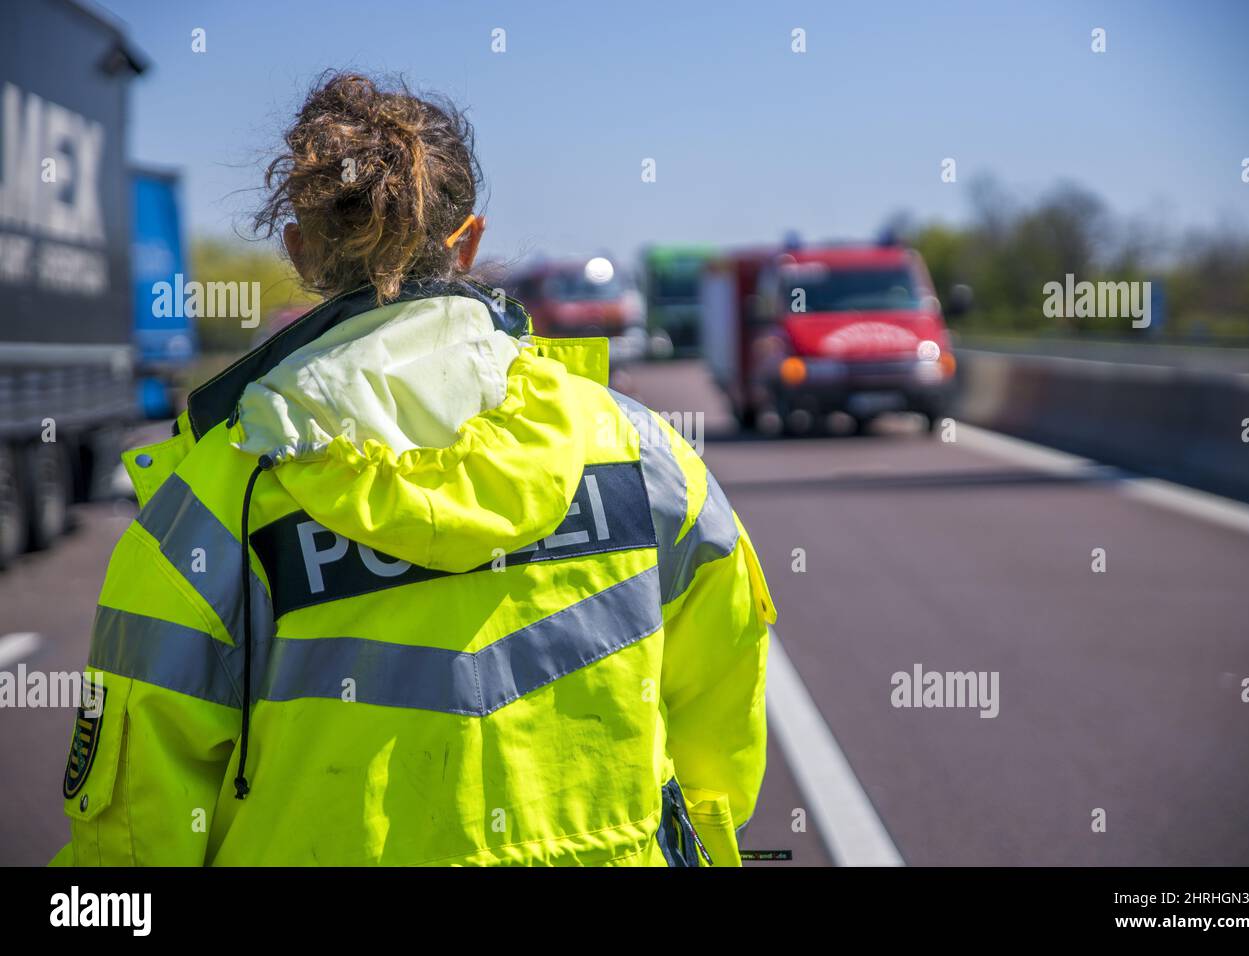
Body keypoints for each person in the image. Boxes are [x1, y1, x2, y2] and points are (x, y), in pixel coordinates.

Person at [49, 72, 775, 866]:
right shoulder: (644, 455)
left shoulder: (211, 503)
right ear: (467, 241)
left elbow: (132, 837)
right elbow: (720, 726)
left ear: (299, 250)